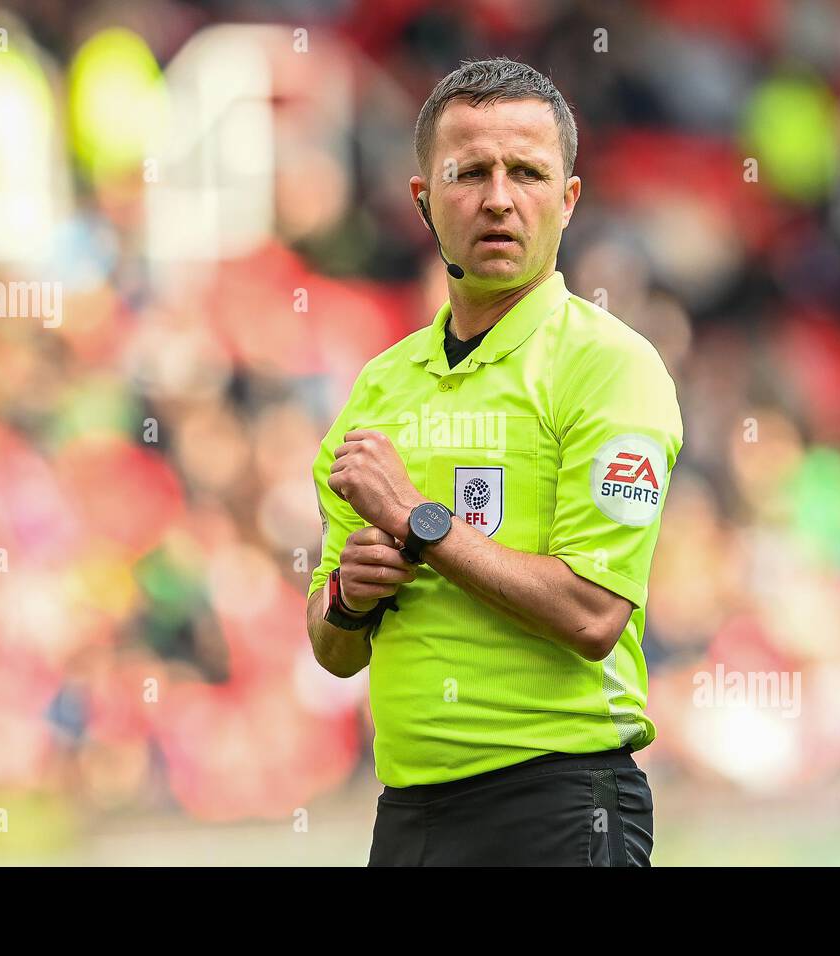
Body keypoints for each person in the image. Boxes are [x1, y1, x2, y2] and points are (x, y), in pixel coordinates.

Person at [305, 56, 684, 866]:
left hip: (559, 804)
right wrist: (348, 597)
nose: (500, 197)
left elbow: (593, 616)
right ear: (423, 201)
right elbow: (332, 650)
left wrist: (418, 522)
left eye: (528, 172)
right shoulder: (378, 387)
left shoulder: (610, 366)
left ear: (569, 200)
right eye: (470, 171)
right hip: (408, 815)